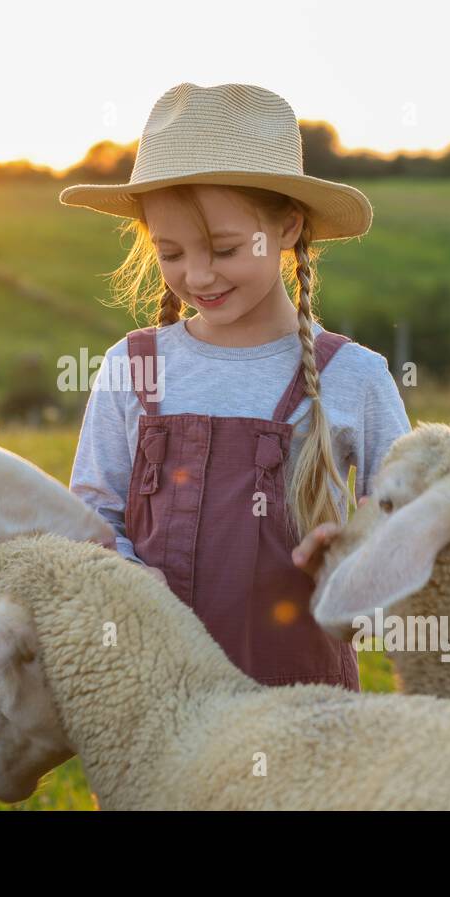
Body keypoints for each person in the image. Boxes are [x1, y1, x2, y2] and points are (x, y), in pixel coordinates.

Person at [61, 82, 410, 689]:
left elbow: (404, 519)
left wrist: (355, 555)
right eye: (170, 253)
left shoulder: (353, 376)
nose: (196, 275)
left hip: (300, 708)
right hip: (151, 699)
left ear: (288, 228)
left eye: (223, 249)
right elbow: (91, 515)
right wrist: (121, 574)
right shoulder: (132, 365)